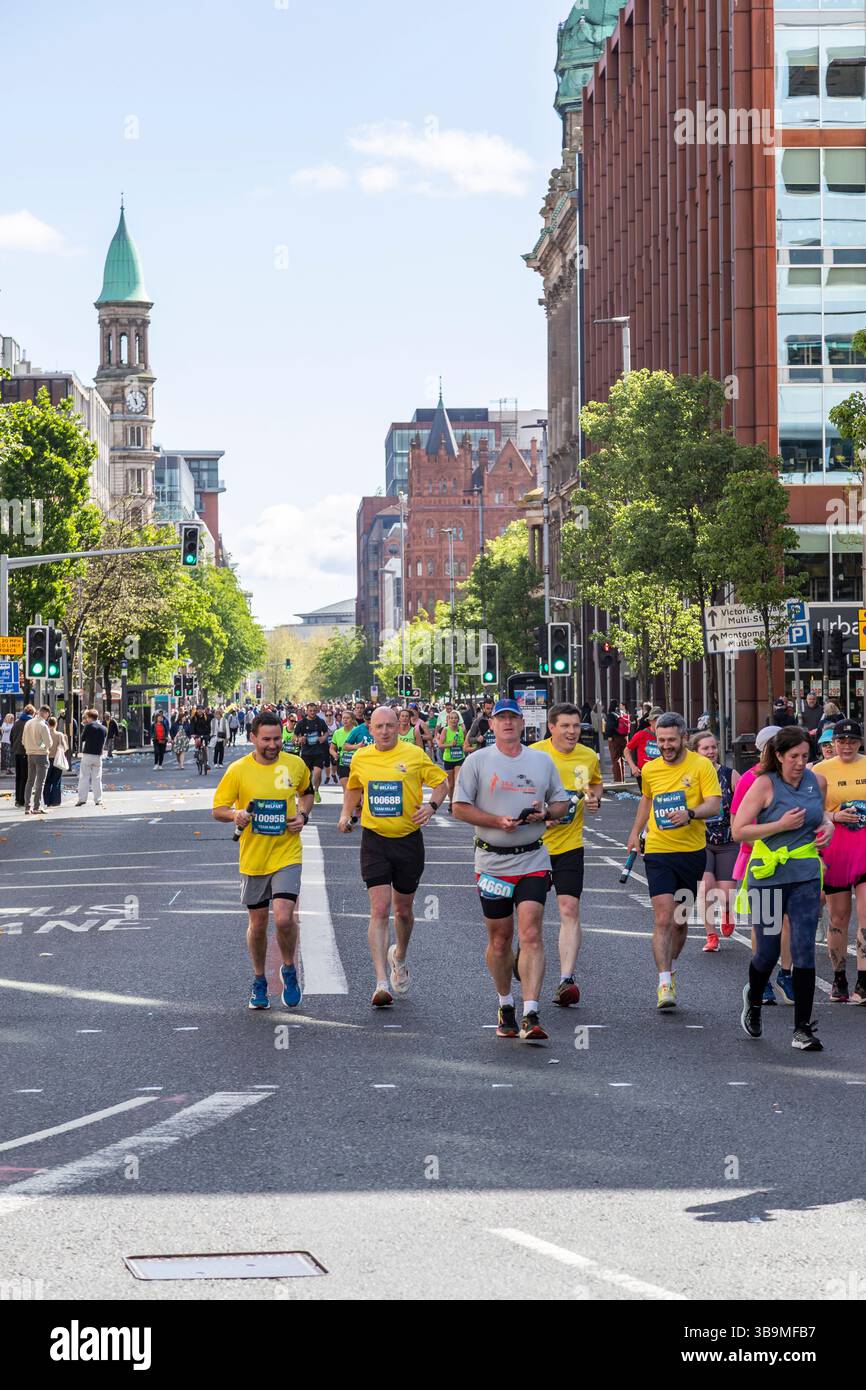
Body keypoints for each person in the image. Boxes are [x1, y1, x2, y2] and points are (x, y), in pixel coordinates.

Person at [453, 698, 569, 1043]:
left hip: (532, 858)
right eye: (500, 719)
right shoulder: (477, 761)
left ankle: (531, 1012)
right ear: (491, 725)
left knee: (531, 933)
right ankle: (506, 1004)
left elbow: (562, 803)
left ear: (522, 724)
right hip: (492, 862)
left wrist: (545, 813)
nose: (507, 724)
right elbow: (458, 808)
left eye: (512, 719)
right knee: (500, 939)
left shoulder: (541, 760)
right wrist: (495, 822)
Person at [338, 707, 448, 1008]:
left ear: (397, 728)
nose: (385, 731)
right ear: (369, 730)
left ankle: (399, 956)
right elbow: (354, 787)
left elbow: (442, 782)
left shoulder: (413, 754)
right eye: (379, 726)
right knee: (380, 908)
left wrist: (432, 807)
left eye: (390, 726)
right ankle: (380, 982)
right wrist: (346, 813)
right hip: (374, 840)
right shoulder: (362, 757)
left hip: (408, 841)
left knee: (402, 911)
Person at [734, 726, 833, 1051]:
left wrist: (828, 826)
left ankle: (802, 1029)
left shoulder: (816, 781)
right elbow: (739, 831)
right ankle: (755, 999)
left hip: (805, 873)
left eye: (805, 756)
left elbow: (821, 816)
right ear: (778, 755)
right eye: (794, 757)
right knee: (768, 951)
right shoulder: (764, 784)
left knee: (805, 947)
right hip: (767, 875)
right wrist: (779, 825)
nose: (801, 763)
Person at [212, 711, 314, 1010]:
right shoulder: (238, 770)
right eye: (266, 739)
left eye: (277, 739)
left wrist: (303, 816)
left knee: (283, 917)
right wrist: (236, 814)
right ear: (253, 737)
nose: (273, 745)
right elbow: (218, 809)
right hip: (254, 857)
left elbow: (307, 793)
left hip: (287, 852)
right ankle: (259, 980)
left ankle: (289, 969)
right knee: (257, 925)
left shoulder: (295, 764)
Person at [626, 712, 721, 1010]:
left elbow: (714, 804)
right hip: (658, 849)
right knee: (664, 917)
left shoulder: (702, 765)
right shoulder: (651, 769)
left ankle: (671, 964)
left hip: (691, 850)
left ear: (683, 738)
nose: (665, 746)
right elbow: (647, 799)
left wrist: (690, 814)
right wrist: (635, 832)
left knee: (680, 922)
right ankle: (664, 980)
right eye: (661, 740)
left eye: (671, 740)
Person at [535, 703, 603, 1006]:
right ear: (551, 727)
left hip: (570, 845)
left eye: (576, 726)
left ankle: (566, 980)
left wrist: (594, 798)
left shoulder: (588, 757)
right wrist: (539, 815)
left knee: (569, 909)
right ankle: (526, 953)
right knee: (531, 915)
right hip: (533, 846)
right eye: (565, 726)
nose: (572, 731)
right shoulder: (534, 755)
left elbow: (596, 784)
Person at [729, 726, 794, 1004]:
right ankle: (763, 979)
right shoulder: (749, 779)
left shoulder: (793, 778)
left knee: (788, 921)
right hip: (756, 857)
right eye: (772, 746)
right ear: (762, 749)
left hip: (788, 856)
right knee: (764, 923)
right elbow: (736, 822)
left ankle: (786, 974)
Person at [813, 718, 866, 1004]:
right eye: (841, 741)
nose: (846, 746)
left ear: (860, 742)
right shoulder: (820, 771)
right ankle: (839, 978)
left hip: (865, 845)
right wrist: (835, 816)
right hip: (835, 847)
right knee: (839, 917)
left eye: (852, 741)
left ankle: (864, 981)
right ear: (832, 743)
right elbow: (813, 811)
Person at [690, 731, 740, 952]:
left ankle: (727, 911)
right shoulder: (691, 777)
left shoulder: (730, 775)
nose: (710, 752)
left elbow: (743, 805)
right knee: (705, 889)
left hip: (728, 840)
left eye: (713, 747)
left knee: (726, 893)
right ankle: (711, 935)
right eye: (705, 748)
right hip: (701, 840)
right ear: (696, 752)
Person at [292, 701, 331, 804]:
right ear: (307, 711)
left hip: (318, 752)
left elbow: (327, 732)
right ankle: (307, 791)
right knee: (307, 775)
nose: (312, 712)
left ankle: (316, 790)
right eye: (310, 711)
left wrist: (323, 737)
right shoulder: (302, 723)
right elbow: (295, 736)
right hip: (306, 753)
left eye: (314, 711)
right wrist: (299, 739)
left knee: (317, 773)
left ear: (317, 711)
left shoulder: (320, 721)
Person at [624, 706, 663, 793]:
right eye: (656, 719)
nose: (659, 722)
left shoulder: (667, 735)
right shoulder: (641, 734)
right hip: (644, 774)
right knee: (647, 800)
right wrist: (633, 767)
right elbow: (626, 750)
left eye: (661, 720)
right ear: (650, 721)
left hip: (662, 773)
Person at [23, 704, 53, 815]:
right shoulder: (43, 725)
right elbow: (49, 743)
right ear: (45, 713)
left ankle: (27, 807)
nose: (47, 717)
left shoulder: (28, 723)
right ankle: (37, 806)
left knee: (30, 781)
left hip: (30, 754)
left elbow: (23, 740)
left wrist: (30, 747)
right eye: (47, 715)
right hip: (41, 755)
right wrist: (41, 745)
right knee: (40, 782)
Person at [437, 707, 466, 811]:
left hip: (460, 758)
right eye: (451, 718)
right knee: (451, 784)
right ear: (448, 720)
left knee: (458, 781)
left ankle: (456, 802)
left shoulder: (461, 730)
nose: (453, 720)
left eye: (455, 718)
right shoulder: (445, 730)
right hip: (448, 759)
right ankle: (451, 802)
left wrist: (465, 745)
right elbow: (440, 745)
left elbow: (465, 743)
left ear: (458, 720)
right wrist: (450, 745)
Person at [76, 709, 107, 806]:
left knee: (84, 777)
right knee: (97, 778)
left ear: (90, 717)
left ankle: (82, 799)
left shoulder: (88, 727)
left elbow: (82, 738)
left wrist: (85, 726)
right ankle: (98, 799)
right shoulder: (104, 728)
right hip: (98, 755)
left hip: (88, 754)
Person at [10, 705, 34, 807]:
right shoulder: (30, 723)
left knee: (18, 777)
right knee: (25, 777)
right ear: (32, 713)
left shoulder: (16, 723)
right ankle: (23, 799)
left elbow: (11, 737)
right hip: (26, 752)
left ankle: (17, 800)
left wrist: (14, 747)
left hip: (16, 752)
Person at [43, 716, 68, 808]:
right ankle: (55, 800)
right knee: (56, 780)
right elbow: (65, 747)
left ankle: (47, 800)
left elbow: (41, 745)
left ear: (48, 724)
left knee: (46, 781)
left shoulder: (45, 734)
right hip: (57, 760)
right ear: (56, 724)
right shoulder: (59, 735)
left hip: (47, 758)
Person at [330, 710, 357, 787]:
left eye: (348, 718)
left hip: (356, 764)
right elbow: (331, 748)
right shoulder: (337, 733)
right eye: (343, 718)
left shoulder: (358, 731)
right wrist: (335, 754)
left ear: (352, 720)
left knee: (356, 790)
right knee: (346, 788)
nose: (345, 720)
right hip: (343, 764)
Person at [605, 700, 629, 783]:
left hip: (615, 738)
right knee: (622, 758)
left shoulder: (611, 715)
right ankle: (623, 779)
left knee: (615, 758)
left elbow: (609, 726)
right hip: (624, 738)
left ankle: (617, 780)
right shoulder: (621, 713)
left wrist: (609, 736)